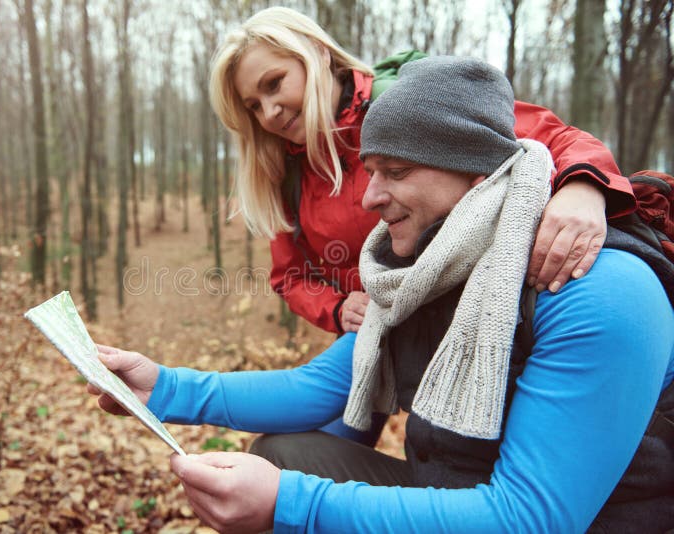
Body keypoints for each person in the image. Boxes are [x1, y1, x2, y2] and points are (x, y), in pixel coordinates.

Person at [90, 56, 674, 533]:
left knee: (288, 485)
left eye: (394, 171)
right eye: (370, 171)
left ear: (477, 175)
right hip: (455, 494)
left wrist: (295, 505)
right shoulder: (423, 276)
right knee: (284, 454)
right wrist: (160, 388)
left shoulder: (596, 290)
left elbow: (529, 518)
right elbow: (318, 386)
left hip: (559, 520)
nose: (370, 198)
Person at [210, 6, 636, 335]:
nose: (268, 112)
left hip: (490, 314)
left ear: (317, 55)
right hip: (383, 336)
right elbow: (290, 275)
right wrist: (337, 309)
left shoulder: (407, 101)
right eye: (253, 105)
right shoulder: (286, 172)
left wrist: (583, 187)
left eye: (274, 83)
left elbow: (551, 136)